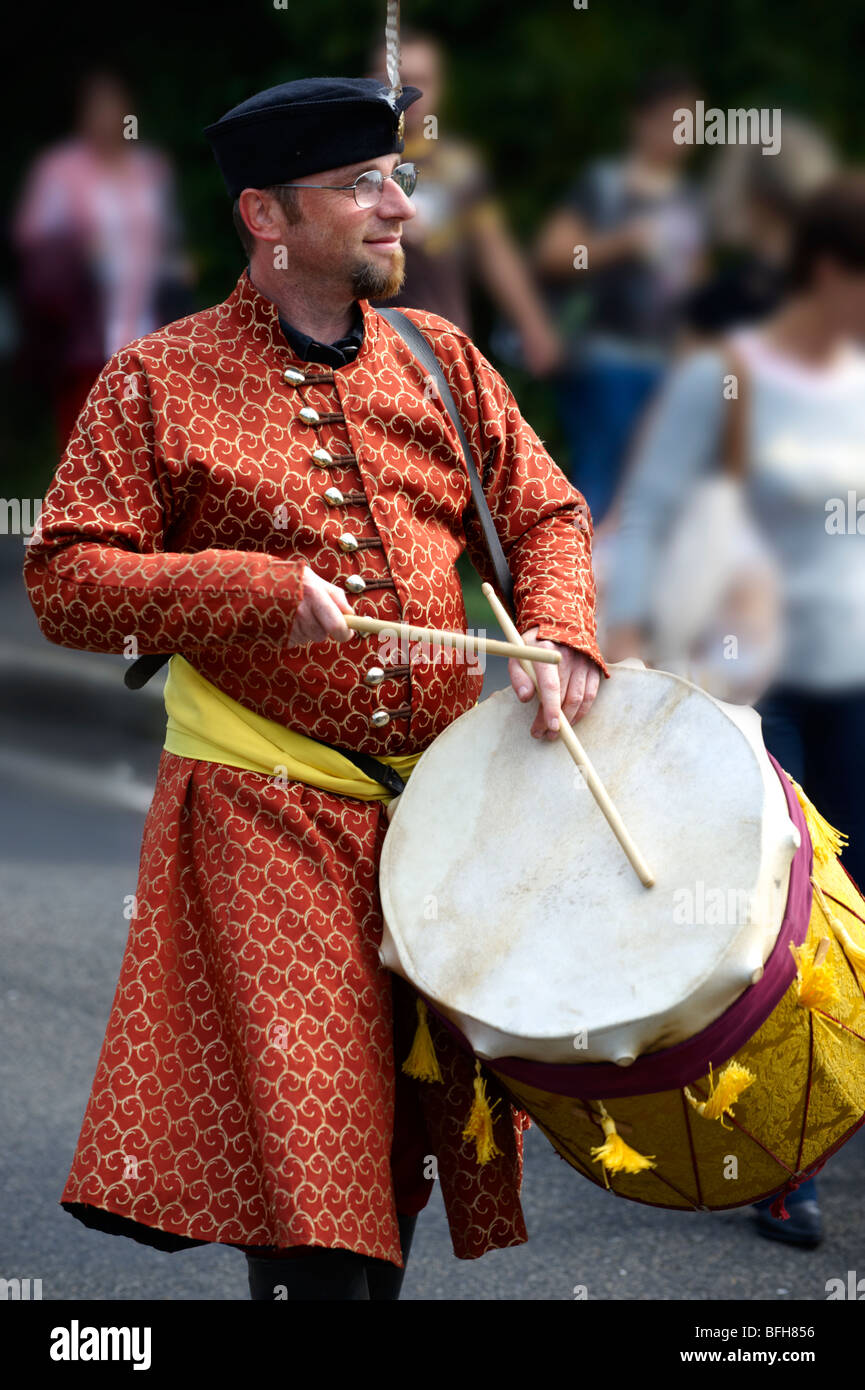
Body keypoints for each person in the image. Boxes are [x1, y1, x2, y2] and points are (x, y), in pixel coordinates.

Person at [23, 74, 608, 1301]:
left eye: (396, 177)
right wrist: (246, 587)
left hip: (445, 820)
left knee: (391, 1168)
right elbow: (66, 581)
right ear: (266, 215)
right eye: (362, 184)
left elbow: (546, 510)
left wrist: (559, 636)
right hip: (262, 819)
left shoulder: (441, 359)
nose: (399, 205)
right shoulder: (154, 380)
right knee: (314, 1186)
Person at [603, 171, 865, 1248]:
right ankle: (781, 1154)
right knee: (780, 917)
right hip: (750, 679)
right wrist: (609, 662)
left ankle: (832, 1098)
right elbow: (646, 520)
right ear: (824, 269)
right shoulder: (730, 380)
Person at [534, 69, 705, 524]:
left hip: (669, 364)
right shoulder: (605, 185)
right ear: (643, 122)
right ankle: (582, 584)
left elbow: (698, 294)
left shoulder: (689, 199)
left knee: (663, 488)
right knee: (603, 480)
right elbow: (553, 254)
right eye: (675, 120)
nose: (682, 135)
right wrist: (623, 243)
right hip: (603, 359)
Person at [12, 70, 194, 448]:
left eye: (115, 106)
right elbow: (30, 243)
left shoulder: (151, 167)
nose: (107, 116)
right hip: (84, 337)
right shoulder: (60, 168)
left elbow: (170, 240)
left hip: (151, 331)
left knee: (153, 450)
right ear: (82, 115)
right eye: (97, 107)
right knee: (90, 452)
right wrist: (78, 246)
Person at [366, 28, 562, 375]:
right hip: (370, 349)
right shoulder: (356, 163)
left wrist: (533, 325)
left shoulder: (461, 167)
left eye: (425, 79)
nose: (413, 92)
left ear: (442, 86)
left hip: (448, 349)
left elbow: (495, 251)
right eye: (400, 79)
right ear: (372, 81)